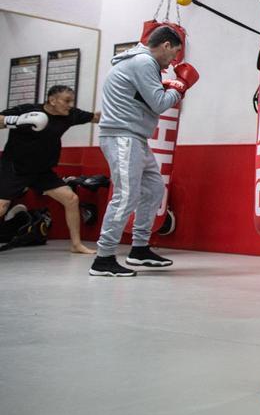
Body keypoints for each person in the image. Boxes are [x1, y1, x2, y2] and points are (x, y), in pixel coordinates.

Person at [94, 27, 198, 276]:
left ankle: (139, 249)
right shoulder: (143, 62)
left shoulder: (137, 61)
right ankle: (103, 258)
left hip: (135, 137)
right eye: (174, 53)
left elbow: (145, 98)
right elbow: (160, 103)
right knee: (126, 195)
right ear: (165, 45)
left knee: (153, 189)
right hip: (123, 136)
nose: (173, 60)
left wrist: (169, 85)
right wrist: (180, 86)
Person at [1, 85, 100, 255]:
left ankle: (76, 245)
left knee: (71, 199)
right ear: (52, 100)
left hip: (42, 171)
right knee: (2, 206)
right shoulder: (27, 110)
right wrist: (17, 120)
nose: (70, 105)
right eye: (66, 101)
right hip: (15, 168)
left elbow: (95, 118)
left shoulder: (70, 115)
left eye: (72, 101)